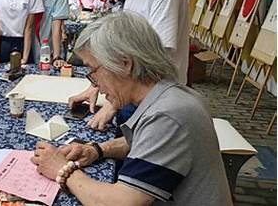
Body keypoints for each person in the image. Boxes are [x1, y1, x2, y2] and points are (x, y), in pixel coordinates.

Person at [31, 12, 232, 206]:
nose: (95, 85)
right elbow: (144, 144)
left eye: (94, 71)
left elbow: (121, 202)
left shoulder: (168, 115)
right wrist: (97, 150)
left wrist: (62, 169)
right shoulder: (168, 96)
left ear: (124, 64)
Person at [69, 0, 190, 131]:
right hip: (133, 100)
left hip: (155, 108)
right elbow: (118, 53)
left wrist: (112, 102)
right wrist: (97, 85)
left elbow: (155, 62)